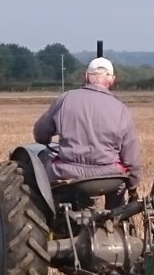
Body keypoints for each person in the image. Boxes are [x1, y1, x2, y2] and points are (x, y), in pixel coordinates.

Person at [33, 57, 141, 188]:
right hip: (108, 176)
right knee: (119, 186)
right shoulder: (121, 109)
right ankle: (117, 202)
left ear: (86, 76)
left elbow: (40, 135)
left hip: (66, 173)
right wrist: (133, 186)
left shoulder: (65, 99)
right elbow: (131, 159)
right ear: (112, 80)